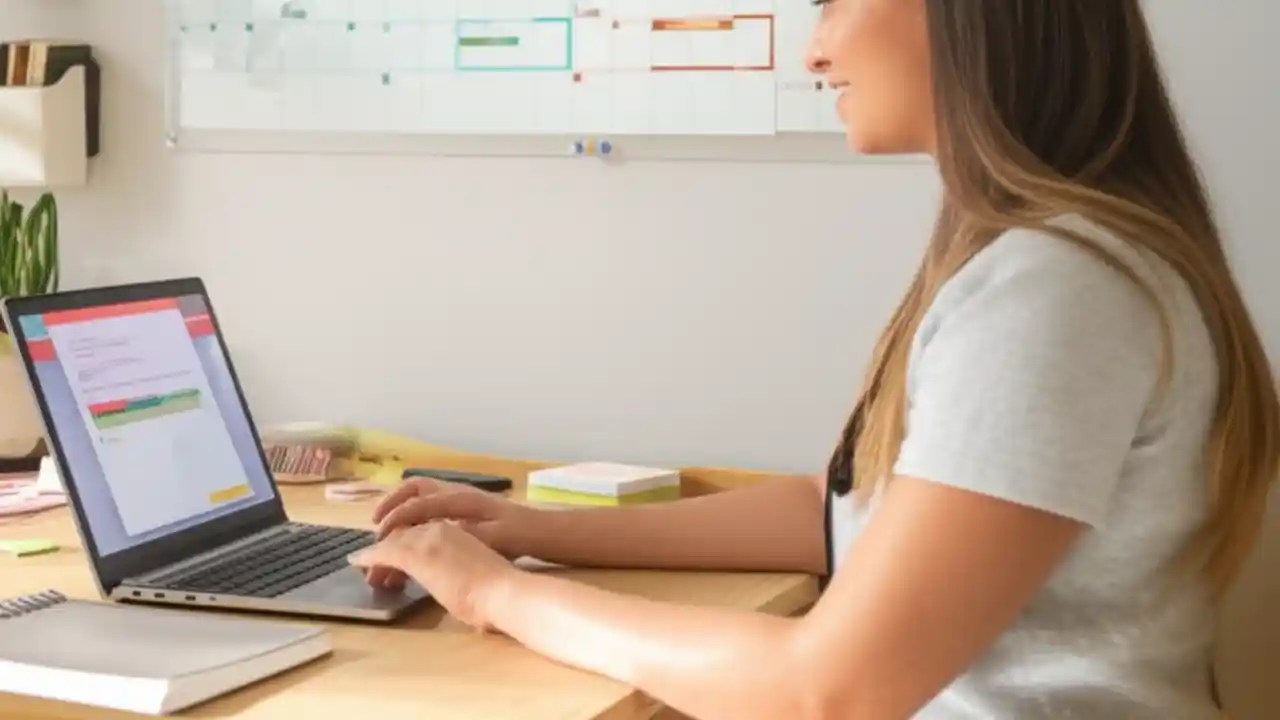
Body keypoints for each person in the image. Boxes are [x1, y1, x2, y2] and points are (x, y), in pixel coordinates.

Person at [348, 2, 1280, 717]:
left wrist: (495, 596)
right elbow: (842, 516)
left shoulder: (1057, 289)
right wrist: (530, 530)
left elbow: (826, 694)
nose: (813, 51)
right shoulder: (1070, 259)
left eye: (836, 2)